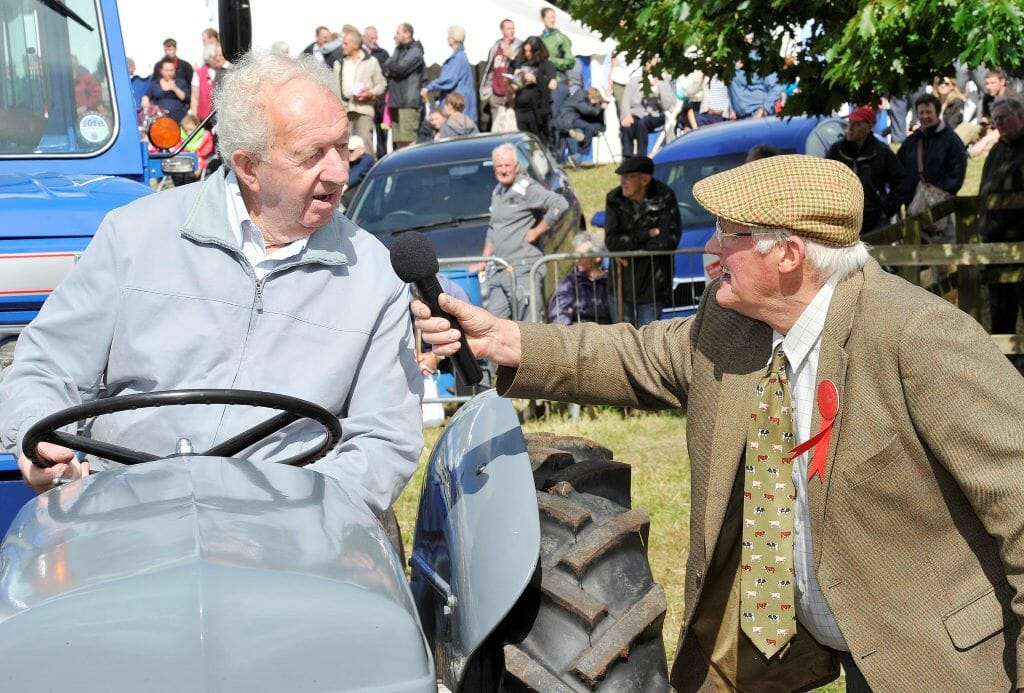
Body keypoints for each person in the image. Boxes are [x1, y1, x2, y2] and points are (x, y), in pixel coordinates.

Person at [413, 153, 1024, 692]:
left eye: (729, 234)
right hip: (811, 636)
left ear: (788, 254)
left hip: (938, 659)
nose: (709, 249)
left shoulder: (919, 338)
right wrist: (506, 340)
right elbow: (636, 356)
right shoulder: (733, 324)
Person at [0, 50, 423, 517]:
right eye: (311, 156)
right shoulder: (134, 235)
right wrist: (38, 441)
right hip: (125, 516)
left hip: (291, 533)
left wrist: (300, 518)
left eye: (343, 146)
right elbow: (45, 366)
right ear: (248, 167)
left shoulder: (375, 273)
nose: (340, 172)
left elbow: (385, 436)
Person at [477, 143, 568, 321]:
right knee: (495, 325)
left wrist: (537, 231)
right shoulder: (498, 191)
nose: (503, 170)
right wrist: (483, 260)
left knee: (528, 328)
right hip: (499, 269)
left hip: (524, 269)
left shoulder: (526, 187)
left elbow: (560, 204)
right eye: (499, 166)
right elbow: (492, 227)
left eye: (507, 165)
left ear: (517, 166)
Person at [603, 155, 682, 326]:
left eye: (628, 177)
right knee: (622, 341)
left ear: (644, 179)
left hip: (652, 286)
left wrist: (629, 252)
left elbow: (669, 240)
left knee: (648, 341)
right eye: (621, 177)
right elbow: (612, 241)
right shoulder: (614, 199)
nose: (623, 182)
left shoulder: (665, 197)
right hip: (621, 284)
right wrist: (647, 234)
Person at [979, 95, 1024, 334]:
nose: (1000, 123)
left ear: (1021, 117)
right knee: (1000, 309)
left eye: (1004, 118)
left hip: (1018, 242)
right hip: (994, 242)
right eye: (996, 120)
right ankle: (1004, 366)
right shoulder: (996, 149)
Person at [897, 93, 967, 241]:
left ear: (937, 112)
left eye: (928, 112)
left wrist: (939, 193)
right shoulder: (911, 141)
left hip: (942, 209)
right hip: (914, 209)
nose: (924, 116)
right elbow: (899, 170)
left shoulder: (951, 140)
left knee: (945, 254)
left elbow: (957, 173)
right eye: (921, 112)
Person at [826, 106, 905, 234]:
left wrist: (888, 210)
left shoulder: (882, 151)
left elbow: (900, 179)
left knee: (878, 253)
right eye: (850, 123)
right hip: (843, 220)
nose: (850, 128)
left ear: (868, 127)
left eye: (857, 124)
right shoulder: (837, 150)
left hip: (875, 219)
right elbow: (825, 180)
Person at [336, 29, 386, 149]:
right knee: (344, 144)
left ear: (355, 45)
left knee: (365, 142)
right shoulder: (339, 63)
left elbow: (382, 84)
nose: (342, 47)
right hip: (344, 110)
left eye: (345, 43)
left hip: (364, 108)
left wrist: (370, 93)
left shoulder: (371, 62)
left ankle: (368, 167)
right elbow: (334, 87)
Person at [547, 231, 612, 325]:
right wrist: (569, 333)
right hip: (578, 334)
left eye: (582, 256)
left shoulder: (610, 282)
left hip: (608, 334)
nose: (577, 260)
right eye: (576, 256)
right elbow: (557, 312)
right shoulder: (570, 282)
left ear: (597, 257)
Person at [381, 23, 426, 150]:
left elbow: (401, 68)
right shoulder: (398, 49)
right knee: (398, 140)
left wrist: (392, 69)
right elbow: (385, 66)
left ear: (407, 34)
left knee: (408, 140)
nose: (395, 36)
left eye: (398, 33)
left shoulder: (416, 50)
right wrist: (392, 68)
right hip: (395, 101)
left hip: (408, 101)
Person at [422, 26, 477, 124]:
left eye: (449, 36)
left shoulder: (458, 58)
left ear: (454, 38)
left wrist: (429, 87)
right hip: (461, 101)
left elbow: (449, 80)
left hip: (458, 103)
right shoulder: (460, 57)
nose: (447, 38)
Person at [618, 64, 676, 158]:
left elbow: (667, 105)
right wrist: (626, 115)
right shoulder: (634, 81)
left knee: (642, 123)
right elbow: (625, 100)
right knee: (627, 125)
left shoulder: (662, 81)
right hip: (637, 114)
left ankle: (642, 156)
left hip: (656, 115)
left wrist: (659, 89)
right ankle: (627, 157)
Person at [510, 36, 556, 148]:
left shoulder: (546, 64)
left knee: (538, 139)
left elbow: (552, 85)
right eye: (525, 51)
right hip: (520, 107)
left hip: (536, 108)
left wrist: (535, 79)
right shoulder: (521, 63)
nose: (527, 54)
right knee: (524, 139)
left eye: (530, 51)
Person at [479, 19, 522, 133]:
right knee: (497, 127)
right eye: (508, 28)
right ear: (502, 30)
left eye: (513, 28)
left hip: (512, 93)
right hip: (496, 92)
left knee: (511, 126)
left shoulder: (519, 46)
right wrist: (489, 91)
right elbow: (490, 70)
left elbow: (522, 67)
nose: (512, 31)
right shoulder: (495, 47)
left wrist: (511, 56)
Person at [552, 86, 606, 164]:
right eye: (595, 100)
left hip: (572, 118)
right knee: (589, 128)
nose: (594, 103)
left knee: (584, 129)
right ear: (591, 96)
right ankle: (579, 155)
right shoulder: (580, 96)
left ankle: (576, 131)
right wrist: (599, 109)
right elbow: (585, 109)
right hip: (568, 119)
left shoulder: (582, 97)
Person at [539, 7, 574, 116]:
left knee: (555, 118)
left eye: (554, 17)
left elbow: (570, 61)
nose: (552, 20)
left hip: (558, 82)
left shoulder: (561, 38)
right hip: (542, 83)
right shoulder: (539, 39)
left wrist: (552, 61)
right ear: (542, 18)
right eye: (550, 17)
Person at [363, 26, 391, 158]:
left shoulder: (382, 54)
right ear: (364, 38)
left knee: (381, 129)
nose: (374, 41)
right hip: (364, 99)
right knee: (366, 130)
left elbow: (388, 75)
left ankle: (382, 155)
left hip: (380, 97)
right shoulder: (360, 54)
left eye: (375, 38)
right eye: (371, 38)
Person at [190, 30, 228, 124]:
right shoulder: (199, 73)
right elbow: (195, 97)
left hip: (222, 119)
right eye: (215, 57)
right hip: (204, 120)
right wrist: (193, 118)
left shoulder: (224, 71)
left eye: (219, 56)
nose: (217, 59)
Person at [142, 56, 190, 123]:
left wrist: (175, 88)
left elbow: (186, 97)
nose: (169, 73)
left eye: (171, 70)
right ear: (161, 71)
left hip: (178, 118)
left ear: (174, 70)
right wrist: (145, 100)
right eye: (166, 70)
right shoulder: (155, 84)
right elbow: (146, 96)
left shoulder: (180, 83)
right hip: (160, 119)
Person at [342, 134, 376, 207]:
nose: (348, 153)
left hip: (365, 202)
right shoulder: (348, 160)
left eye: (351, 151)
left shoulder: (368, 160)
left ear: (361, 150)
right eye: (347, 150)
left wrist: (343, 187)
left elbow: (356, 175)